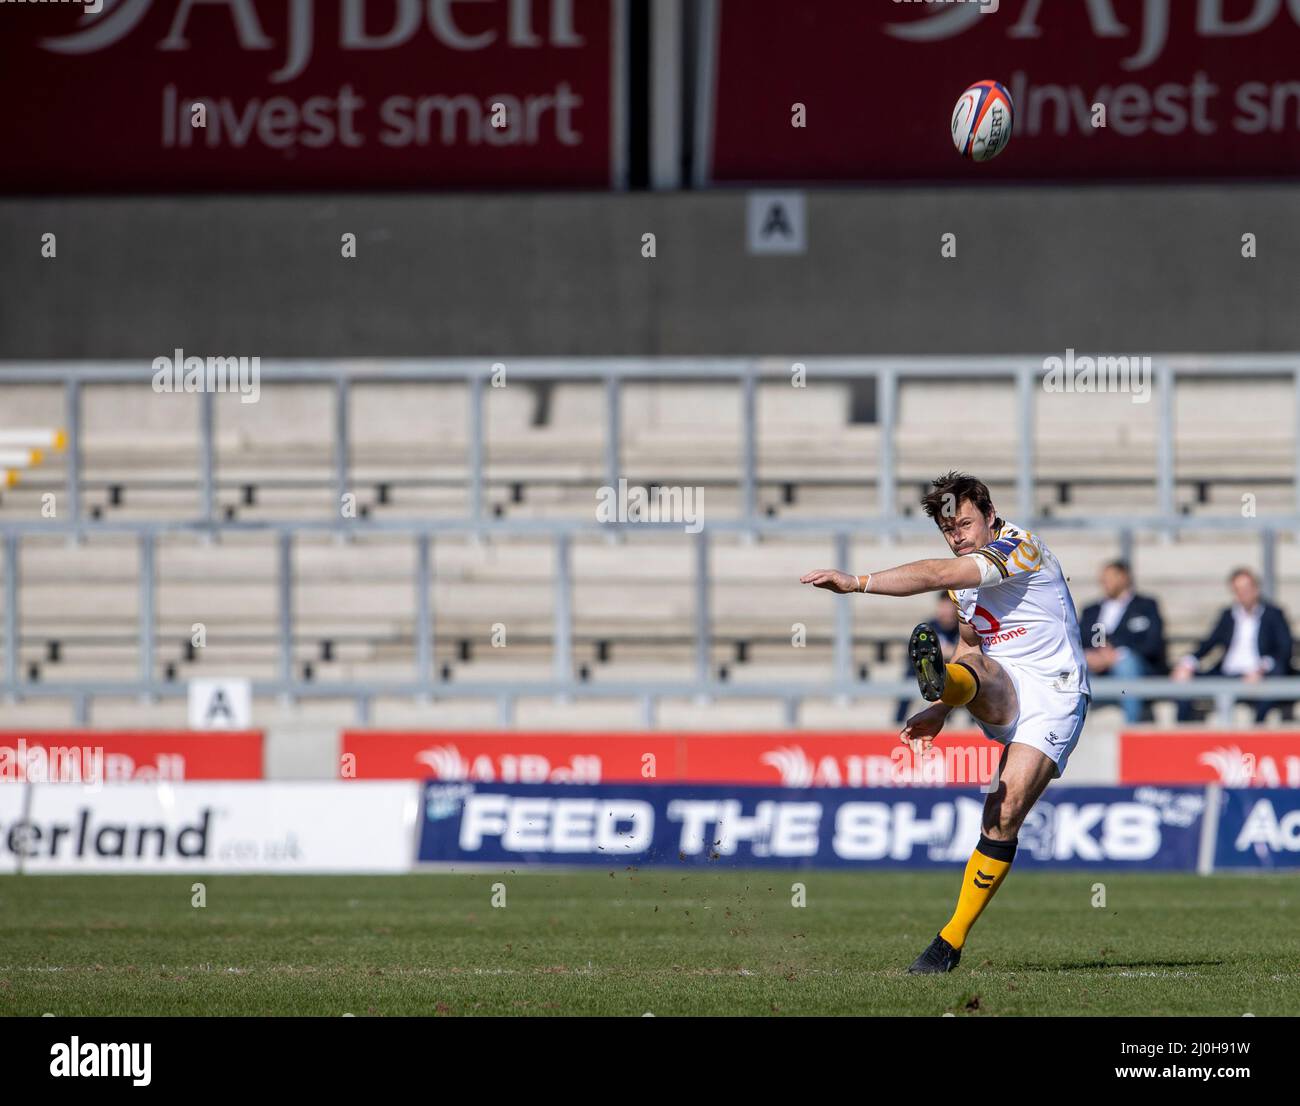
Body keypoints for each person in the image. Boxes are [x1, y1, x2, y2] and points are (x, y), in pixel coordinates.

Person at [801, 470, 1089, 974]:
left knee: (1003, 813)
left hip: (1056, 690)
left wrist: (858, 583)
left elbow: (935, 576)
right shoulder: (966, 588)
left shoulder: (1020, 548)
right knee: (970, 666)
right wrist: (940, 708)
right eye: (949, 530)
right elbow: (971, 646)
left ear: (990, 516)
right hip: (999, 682)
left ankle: (949, 943)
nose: (958, 536)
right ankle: (944, 684)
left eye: (964, 524)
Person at [1173, 568, 1294, 723]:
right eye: (1238, 590)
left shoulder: (1273, 614)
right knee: (1184, 680)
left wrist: (1261, 668)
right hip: (1227, 673)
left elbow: (1284, 648)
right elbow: (1208, 644)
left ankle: (1257, 727)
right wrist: (1187, 662)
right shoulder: (1228, 615)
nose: (1243, 594)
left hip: (1259, 674)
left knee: (1274, 680)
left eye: (1246, 588)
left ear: (1256, 589)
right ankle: (1182, 732)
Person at [1079, 561, 1167, 723]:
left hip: (1137, 668)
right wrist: (1091, 655)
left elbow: (1152, 643)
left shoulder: (1146, 606)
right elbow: (1079, 640)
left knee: (1126, 663)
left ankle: (1132, 727)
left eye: (1110, 577)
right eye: (1103, 578)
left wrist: (1117, 653)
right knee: (1076, 664)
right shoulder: (1090, 610)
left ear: (1124, 577)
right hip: (1096, 668)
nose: (1104, 582)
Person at [896, 593, 961, 724]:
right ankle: (898, 720)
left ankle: (968, 724)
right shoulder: (928, 627)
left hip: (949, 672)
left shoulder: (961, 628)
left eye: (950, 608)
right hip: (924, 671)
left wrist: (947, 651)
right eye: (944, 607)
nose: (947, 612)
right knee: (910, 675)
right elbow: (918, 650)